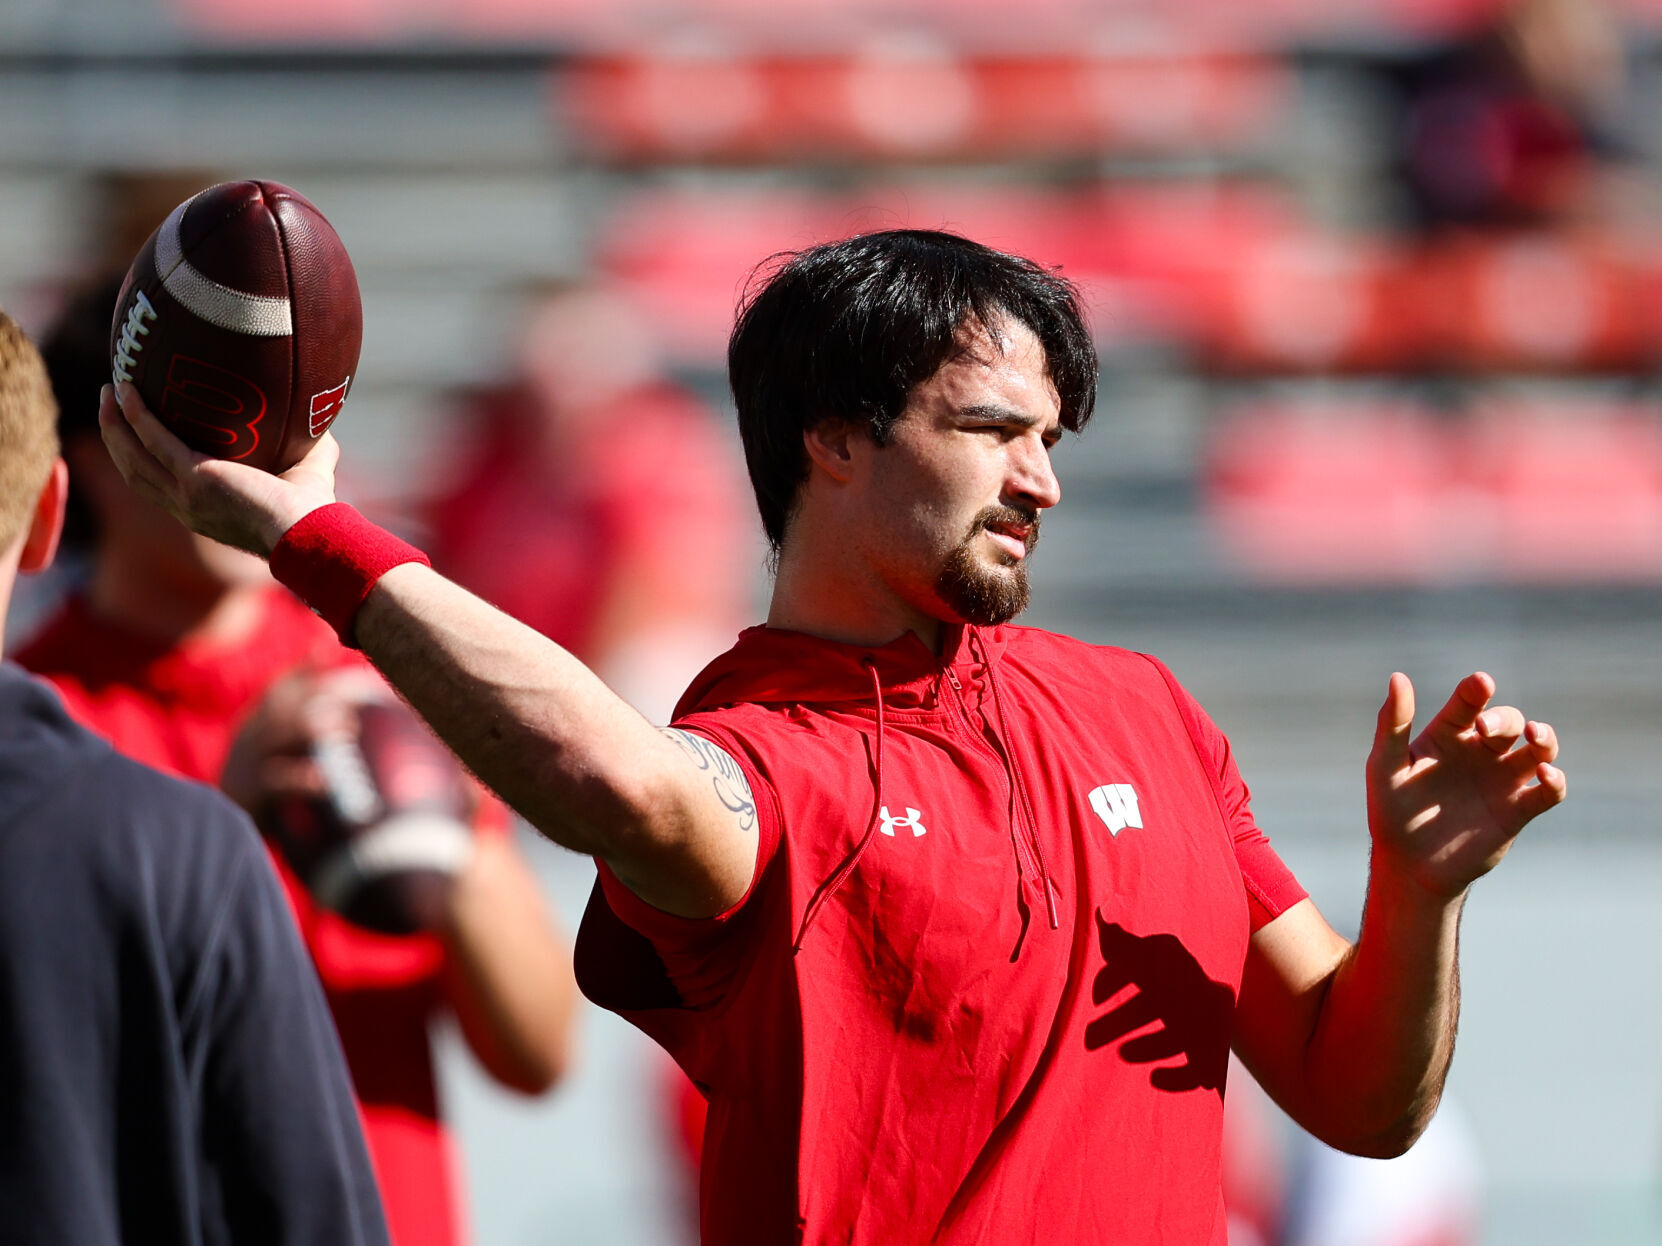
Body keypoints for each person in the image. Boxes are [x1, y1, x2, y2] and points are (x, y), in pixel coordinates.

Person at [100, 229, 1567, 1245]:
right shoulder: (767, 743)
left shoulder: (1145, 706)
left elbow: (1360, 1099)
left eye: (1052, 437)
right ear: (834, 437)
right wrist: (319, 539)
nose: (1040, 479)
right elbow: (609, 778)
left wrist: (1415, 895)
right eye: (991, 429)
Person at [17, 276, 578, 1246]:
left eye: (261, 422)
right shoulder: (38, 729)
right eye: (201, 429)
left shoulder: (381, 664)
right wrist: (212, 831)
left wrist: (441, 818)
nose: (244, 457)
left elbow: (538, 1052)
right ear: (97, 465)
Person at [0, 309, 388, 1244]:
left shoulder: (365, 691)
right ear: (65, 501)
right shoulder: (171, 844)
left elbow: (538, 1046)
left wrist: (447, 844)